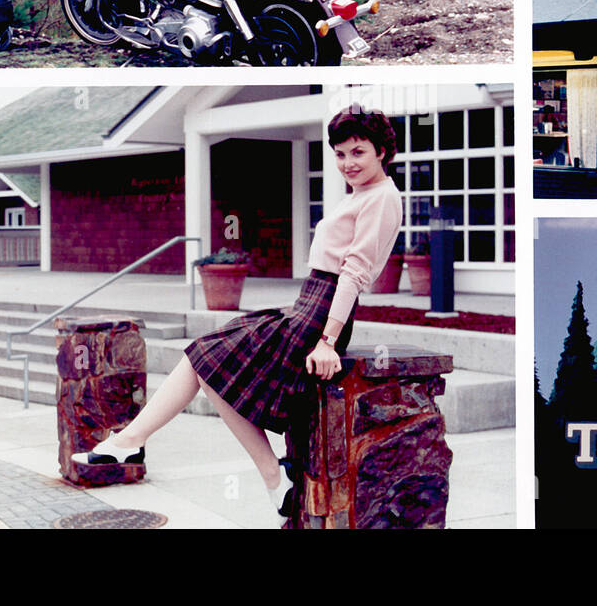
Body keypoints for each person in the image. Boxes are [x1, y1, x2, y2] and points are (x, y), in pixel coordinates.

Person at [73, 107, 404, 517]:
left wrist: (327, 341)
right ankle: (135, 442)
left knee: (209, 361)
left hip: (324, 313)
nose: (348, 164)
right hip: (309, 303)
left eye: (358, 152)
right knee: (204, 355)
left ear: (383, 152)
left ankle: (148, 445)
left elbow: (354, 272)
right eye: (340, 154)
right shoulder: (361, 195)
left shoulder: (383, 198)